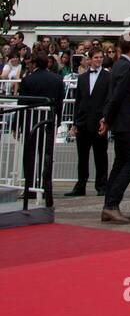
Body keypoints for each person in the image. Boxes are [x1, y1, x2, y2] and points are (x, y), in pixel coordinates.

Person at [100, 32, 130, 224]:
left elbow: (113, 95)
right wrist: (107, 119)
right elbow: (116, 96)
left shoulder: (119, 65)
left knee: (120, 163)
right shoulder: (125, 67)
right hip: (126, 122)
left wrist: (107, 118)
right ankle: (111, 204)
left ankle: (108, 205)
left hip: (121, 122)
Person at [19, 51, 64, 207]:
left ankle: (30, 187)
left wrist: (18, 125)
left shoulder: (28, 80)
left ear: (35, 63)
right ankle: (46, 186)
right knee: (47, 155)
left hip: (31, 122)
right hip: (49, 122)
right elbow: (60, 103)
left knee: (30, 156)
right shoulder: (57, 79)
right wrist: (57, 121)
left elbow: (22, 105)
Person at [65, 45, 110, 198]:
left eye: (100, 57)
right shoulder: (82, 78)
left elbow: (109, 100)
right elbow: (78, 101)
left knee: (101, 156)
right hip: (83, 122)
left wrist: (106, 118)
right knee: (82, 157)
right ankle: (80, 185)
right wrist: (75, 122)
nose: (99, 60)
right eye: (96, 57)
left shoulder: (107, 76)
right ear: (90, 59)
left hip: (99, 122)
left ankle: (102, 185)